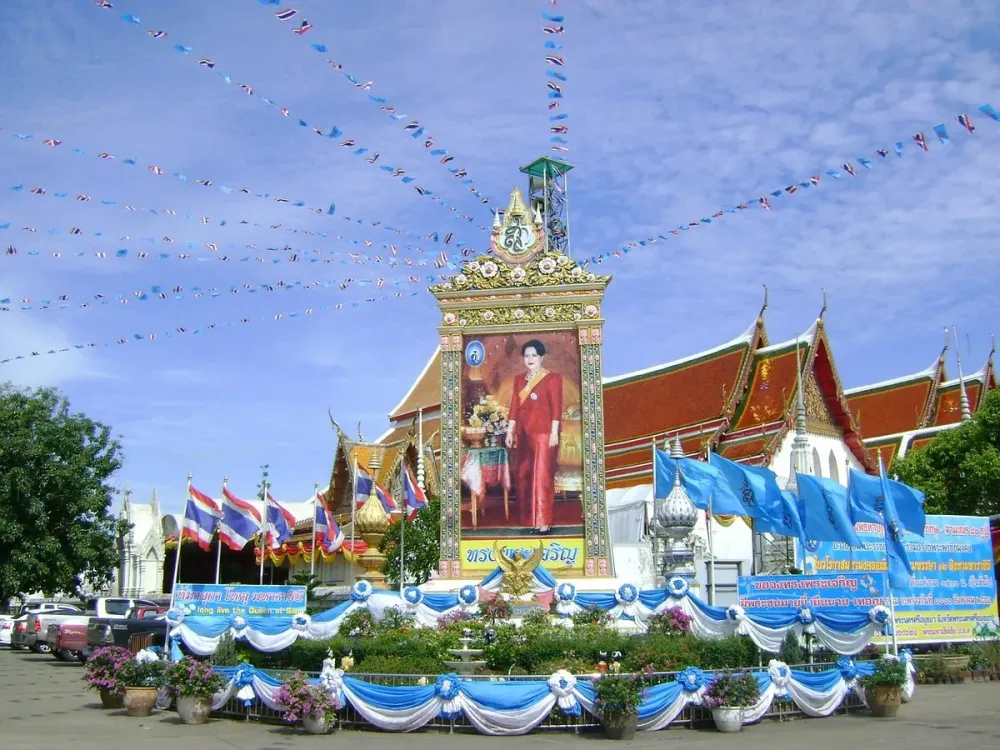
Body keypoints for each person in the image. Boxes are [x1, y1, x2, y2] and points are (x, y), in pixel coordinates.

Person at [505, 339, 562, 534]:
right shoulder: (519, 380)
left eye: (534, 356)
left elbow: (556, 407)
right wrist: (510, 430)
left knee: (542, 477)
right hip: (523, 433)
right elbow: (514, 406)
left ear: (541, 357)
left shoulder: (553, 378)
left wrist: (555, 432)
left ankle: (544, 522)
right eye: (527, 356)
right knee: (524, 476)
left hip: (545, 434)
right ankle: (531, 519)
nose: (530, 359)